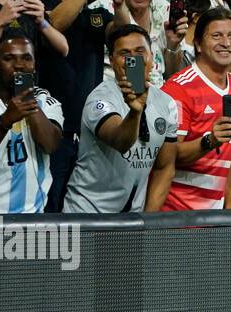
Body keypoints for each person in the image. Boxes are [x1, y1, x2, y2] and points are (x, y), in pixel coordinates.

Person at [42, 0, 127, 211]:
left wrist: (121, 5)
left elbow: (124, 40)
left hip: (90, 132)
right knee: (52, 206)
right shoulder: (42, 6)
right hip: (54, 130)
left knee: (86, 210)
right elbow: (55, 22)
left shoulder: (97, 15)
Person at [62, 23, 180, 214]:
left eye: (140, 51)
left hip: (132, 220)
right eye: (124, 53)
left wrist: (148, 220)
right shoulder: (99, 99)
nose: (133, 58)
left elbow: (165, 167)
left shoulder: (167, 104)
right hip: (87, 213)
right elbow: (120, 141)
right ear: (111, 60)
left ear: (151, 57)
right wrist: (135, 112)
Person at [149, 7, 231, 210]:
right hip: (176, 213)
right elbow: (166, 157)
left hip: (215, 217)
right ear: (199, 44)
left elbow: (229, 156)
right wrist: (209, 141)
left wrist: (230, 210)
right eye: (217, 36)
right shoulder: (178, 88)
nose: (226, 43)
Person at [0, 29, 64, 214]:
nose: (19, 65)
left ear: (34, 65)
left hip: (34, 215)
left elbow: (51, 145)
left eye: (26, 58)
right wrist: (5, 121)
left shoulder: (46, 102)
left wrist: (28, 102)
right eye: (9, 58)